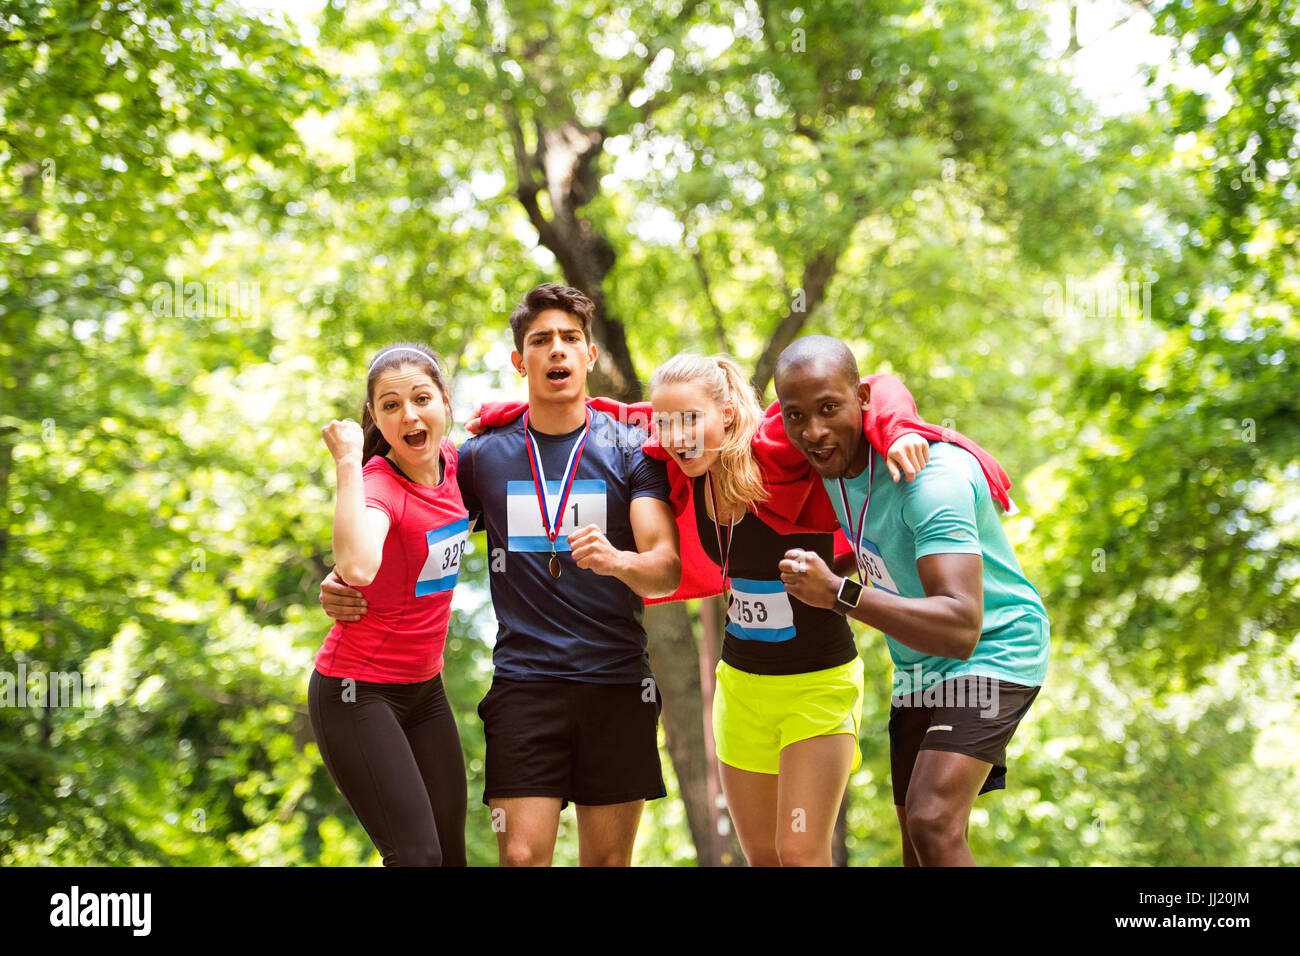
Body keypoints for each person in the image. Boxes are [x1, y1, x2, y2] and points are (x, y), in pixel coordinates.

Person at [472, 354, 938, 866]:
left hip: (817, 684)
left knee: (800, 852)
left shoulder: (777, 446)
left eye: (691, 418)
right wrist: (509, 412)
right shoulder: (681, 466)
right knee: (762, 856)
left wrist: (899, 431)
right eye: (667, 422)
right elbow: (605, 414)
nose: (677, 433)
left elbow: (876, 385)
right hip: (740, 689)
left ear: (729, 414)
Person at [321, 284, 681, 867]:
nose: (556, 351)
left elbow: (665, 569)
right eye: (541, 340)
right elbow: (411, 511)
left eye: (570, 339)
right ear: (520, 361)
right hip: (524, 684)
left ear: (590, 355)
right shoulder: (482, 457)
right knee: (519, 857)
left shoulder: (630, 448)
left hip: (617, 682)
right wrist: (344, 579)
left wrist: (616, 560)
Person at [771, 335, 1050, 867]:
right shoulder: (831, 457)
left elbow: (962, 625)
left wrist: (837, 593)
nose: (814, 431)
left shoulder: (930, 479)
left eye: (830, 408)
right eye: (797, 415)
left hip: (993, 650)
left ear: (862, 399)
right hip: (917, 666)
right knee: (916, 849)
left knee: (933, 819)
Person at [311, 342, 469, 867]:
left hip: (425, 692)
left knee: (450, 856)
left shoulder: (452, 464)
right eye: (391, 405)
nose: (409, 415)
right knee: (417, 857)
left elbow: (519, 422)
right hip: (357, 693)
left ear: (444, 401)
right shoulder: (379, 486)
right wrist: (347, 462)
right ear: (375, 417)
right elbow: (358, 567)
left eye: (421, 398)